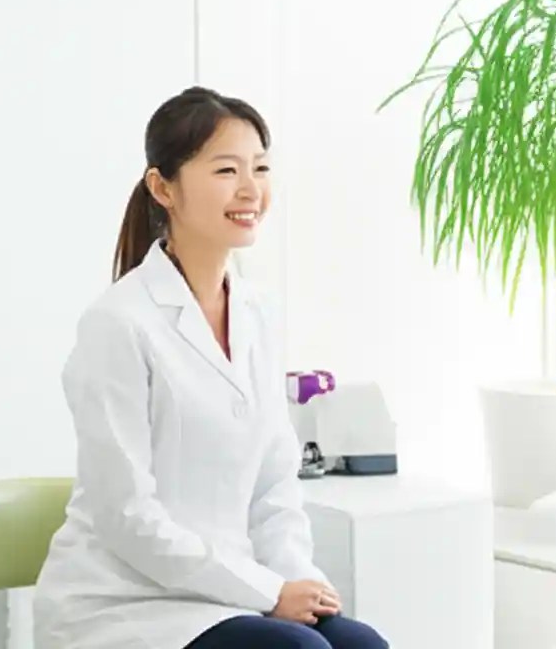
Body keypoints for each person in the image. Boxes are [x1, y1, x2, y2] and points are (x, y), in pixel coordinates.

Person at [33, 87, 388, 649]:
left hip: (230, 591)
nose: (251, 189)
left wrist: (295, 581)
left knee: (360, 644)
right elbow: (128, 516)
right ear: (162, 188)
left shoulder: (259, 313)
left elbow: (274, 484)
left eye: (260, 168)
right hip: (125, 603)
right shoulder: (118, 323)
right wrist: (268, 592)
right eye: (226, 170)